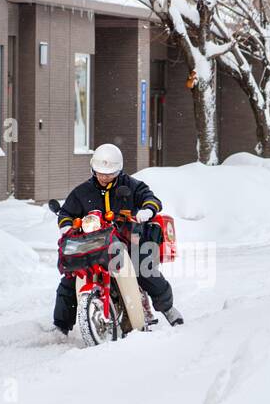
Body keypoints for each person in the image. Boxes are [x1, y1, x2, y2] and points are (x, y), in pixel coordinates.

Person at [52, 143, 183, 335]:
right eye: (100, 172)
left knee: (143, 268)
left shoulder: (131, 185)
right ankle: (60, 326)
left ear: (119, 170)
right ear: (93, 169)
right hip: (94, 243)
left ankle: (168, 309)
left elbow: (150, 198)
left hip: (127, 239)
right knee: (71, 277)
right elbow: (66, 213)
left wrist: (146, 210)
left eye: (110, 173)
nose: (104, 176)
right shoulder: (82, 192)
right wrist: (65, 225)